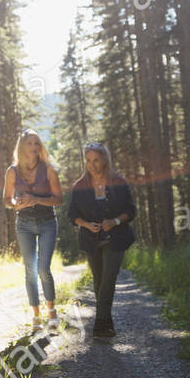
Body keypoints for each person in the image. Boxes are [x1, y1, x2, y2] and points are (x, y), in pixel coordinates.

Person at [67, 141, 136, 338]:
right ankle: (107, 321)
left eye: (96, 160)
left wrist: (114, 221)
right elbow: (72, 215)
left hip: (116, 238)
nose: (92, 164)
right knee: (98, 282)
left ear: (104, 160)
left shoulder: (118, 181)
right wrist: (87, 224)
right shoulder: (80, 186)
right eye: (88, 160)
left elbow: (130, 211)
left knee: (108, 279)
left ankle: (99, 324)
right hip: (91, 239)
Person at [4, 130, 64, 331]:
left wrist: (37, 199)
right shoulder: (12, 171)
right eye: (30, 143)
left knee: (43, 268)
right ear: (22, 147)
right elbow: (7, 199)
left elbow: (59, 199)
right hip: (24, 224)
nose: (34, 147)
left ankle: (52, 312)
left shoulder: (48, 169)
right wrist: (16, 204)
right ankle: (36, 316)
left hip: (47, 222)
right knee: (30, 270)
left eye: (36, 143)